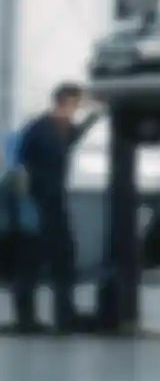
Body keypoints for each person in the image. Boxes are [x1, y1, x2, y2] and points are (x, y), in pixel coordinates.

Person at [11, 83, 101, 334]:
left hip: (54, 201)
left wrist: (95, 115)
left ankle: (63, 315)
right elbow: (19, 164)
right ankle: (27, 319)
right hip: (39, 202)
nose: (77, 109)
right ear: (67, 101)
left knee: (63, 259)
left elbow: (76, 135)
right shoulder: (39, 129)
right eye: (77, 104)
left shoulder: (64, 130)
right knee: (32, 260)